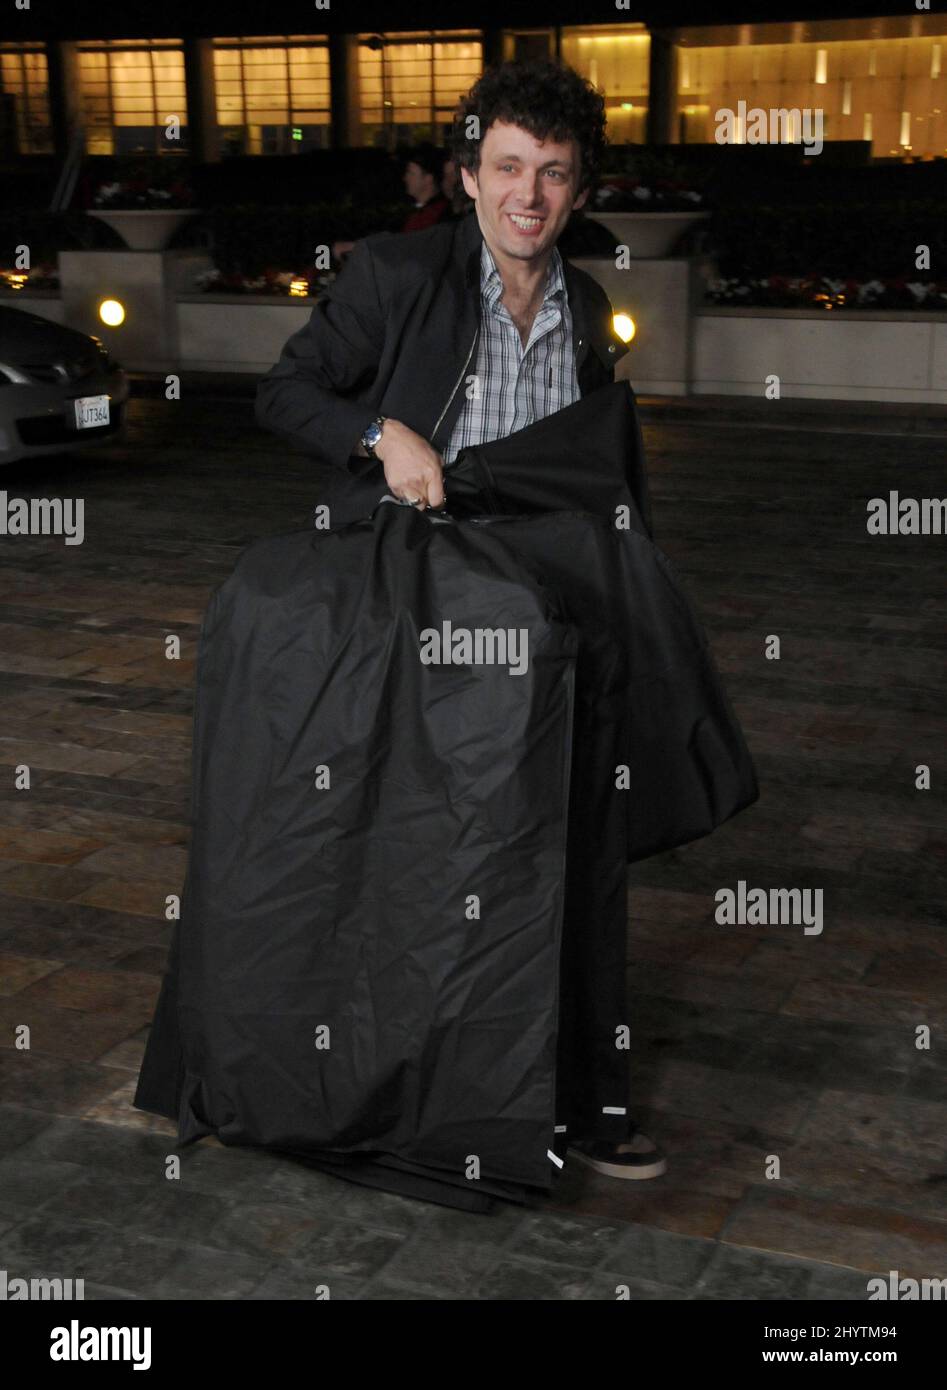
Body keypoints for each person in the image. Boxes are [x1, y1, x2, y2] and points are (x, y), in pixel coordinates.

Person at [255, 58, 667, 1181]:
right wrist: (380, 435)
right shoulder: (397, 276)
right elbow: (285, 392)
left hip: (547, 628)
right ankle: (415, 1097)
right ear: (468, 171)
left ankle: (578, 1101)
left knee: (565, 859)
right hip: (415, 622)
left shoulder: (583, 308)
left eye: (553, 174)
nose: (527, 195)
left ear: (578, 191)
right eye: (506, 169)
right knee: (427, 866)